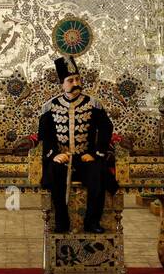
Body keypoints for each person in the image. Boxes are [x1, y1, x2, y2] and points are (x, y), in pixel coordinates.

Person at [38, 56, 116, 233]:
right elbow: (45, 135)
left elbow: (106, 128)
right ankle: (61, 223)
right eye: (70, 80)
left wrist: (97, 153)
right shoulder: (50, 107)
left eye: (78, 79)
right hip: (61, 158)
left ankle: (92, 222)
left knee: (98, 174)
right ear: (62, 84)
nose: (75, 83)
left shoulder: (93, 104)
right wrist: (53, 154)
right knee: (55, 175)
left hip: (85, 157)